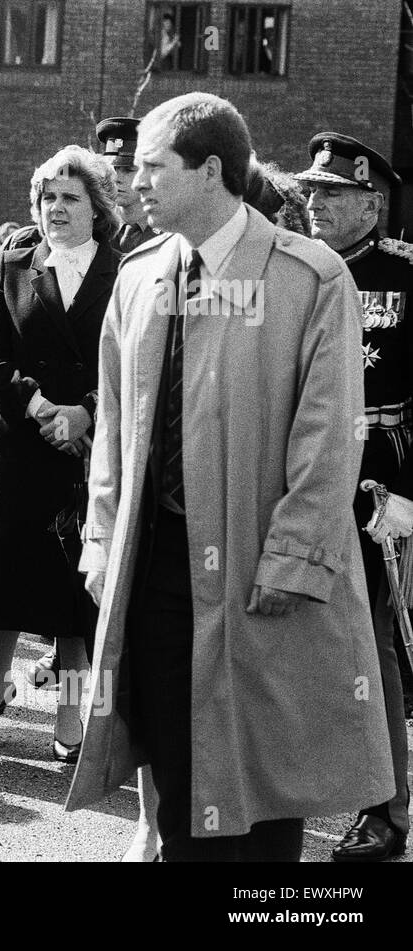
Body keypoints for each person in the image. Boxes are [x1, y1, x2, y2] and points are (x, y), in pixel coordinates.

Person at [69, 93, 393, 862]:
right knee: (177, 773)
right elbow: (114, 427)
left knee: (262, 785)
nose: (134, 183)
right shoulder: (139, 277)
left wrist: (294, 557)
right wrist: (100, 539)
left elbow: (329, 437)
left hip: (258, 571)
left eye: (153, 167)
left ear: (211, 171)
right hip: (155, 572)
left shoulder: (309, 277)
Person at [0, 145, 120, 764]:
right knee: (3, 579)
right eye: (48, 197)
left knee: (74, 592)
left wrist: (87, 413)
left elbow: (137, 361)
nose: (57, 208)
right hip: (22, 442)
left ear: (98, 208)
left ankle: (71, 710)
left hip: (88, 450)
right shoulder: (11, 264)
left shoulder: (125, 271)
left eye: (71, 197)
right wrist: (42, 408)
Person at [295, 132, 413, 861]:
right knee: (289, 634)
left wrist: (407, 496)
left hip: (375, 476)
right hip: (298, 472)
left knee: (372, 648)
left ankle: (386, 811)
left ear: (373, 204)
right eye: (312, 190)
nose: (317, 202)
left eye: (334, 192)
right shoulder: (293, 269)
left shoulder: (404, 277)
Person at [97, 116, 160, 254]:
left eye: (128, 170)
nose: (116, 178)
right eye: (113, 169)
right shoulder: (92, 229)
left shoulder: (169, 231)